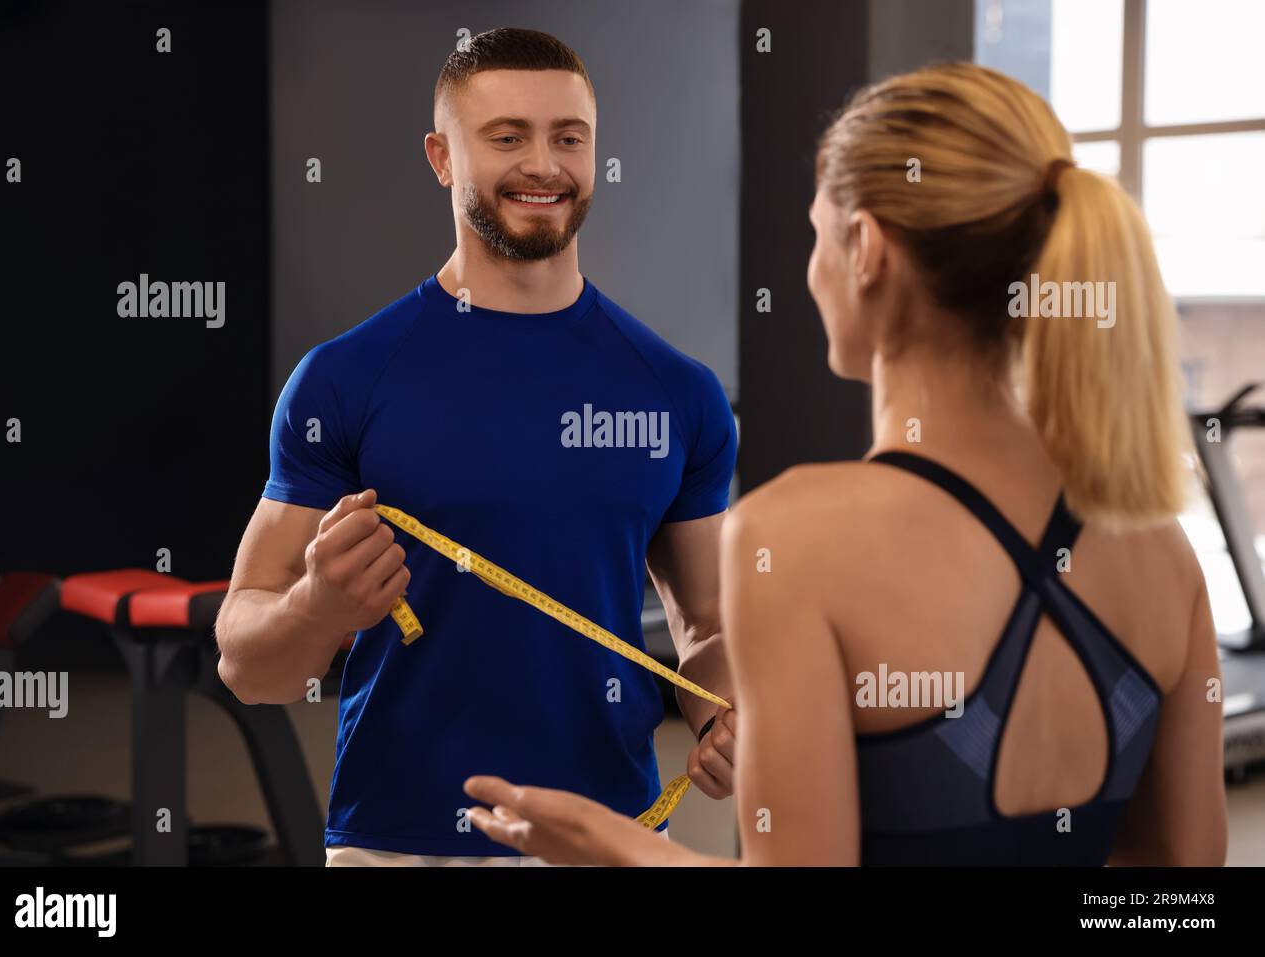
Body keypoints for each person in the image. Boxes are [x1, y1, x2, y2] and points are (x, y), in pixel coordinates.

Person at [463, 62, 1229, 866]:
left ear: (865, 247)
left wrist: (605, 844)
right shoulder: (1159, 549)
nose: (808, 269)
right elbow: (1176, 903)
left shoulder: (797, 536)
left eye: (816, 231)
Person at [214, 27, 738, 866]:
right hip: (396, 840)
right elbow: (246, 665)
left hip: (615, 838)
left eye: (568, 137)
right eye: (506, 137)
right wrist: (317, 608)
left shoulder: (677, 391)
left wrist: (723, 711)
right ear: (441, 157)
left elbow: (707, 624)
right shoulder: (345, 381)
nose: (543, 165)